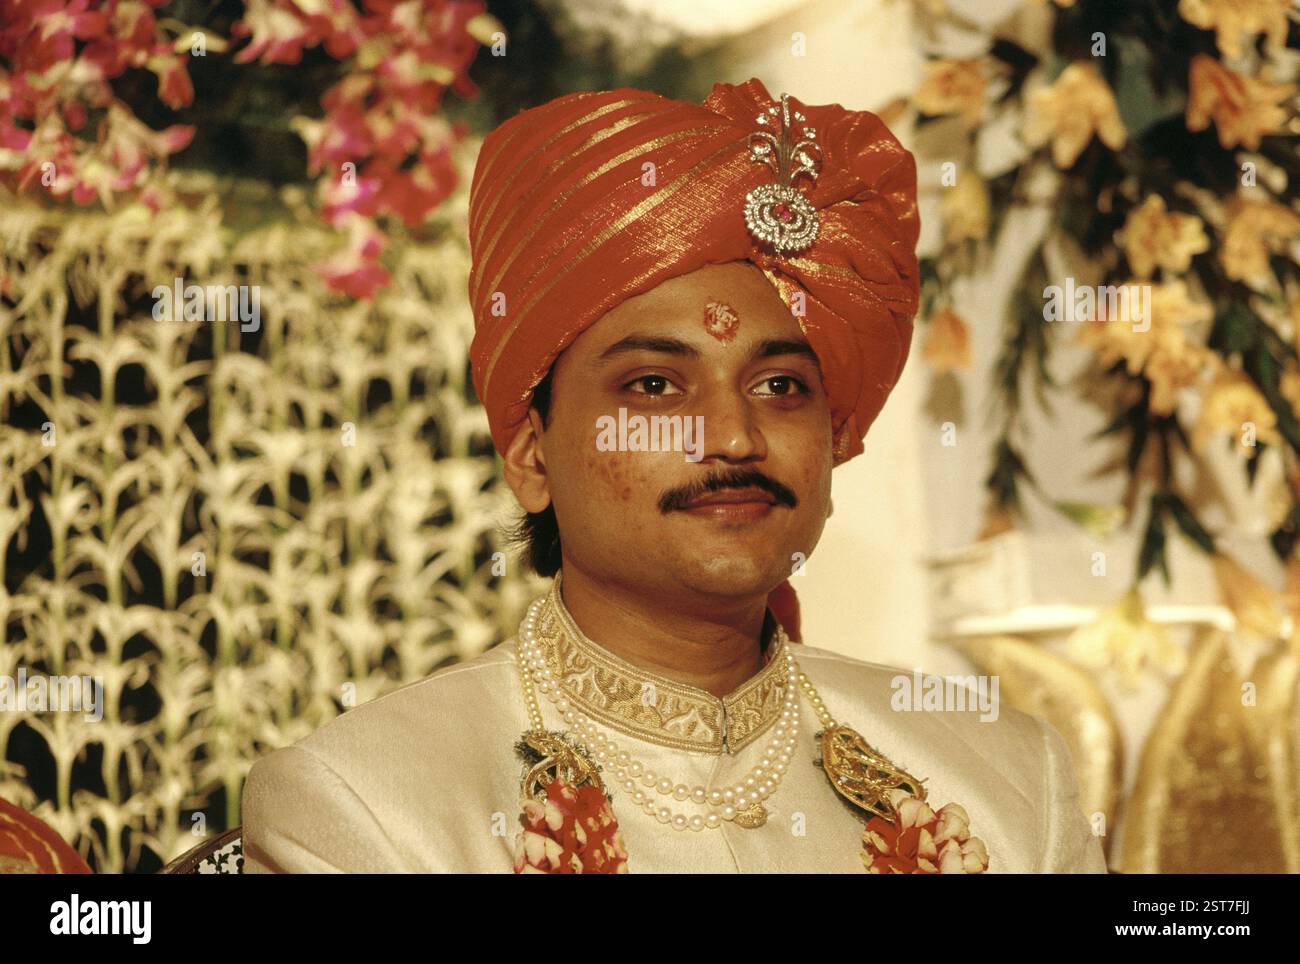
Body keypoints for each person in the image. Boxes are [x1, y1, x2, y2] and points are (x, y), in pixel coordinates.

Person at [240, 77, 1107, 874]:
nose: (733, 436)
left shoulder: (1005, 778)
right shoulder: (367, 805)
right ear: (532, 454)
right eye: (654, 386)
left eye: (781, 386)